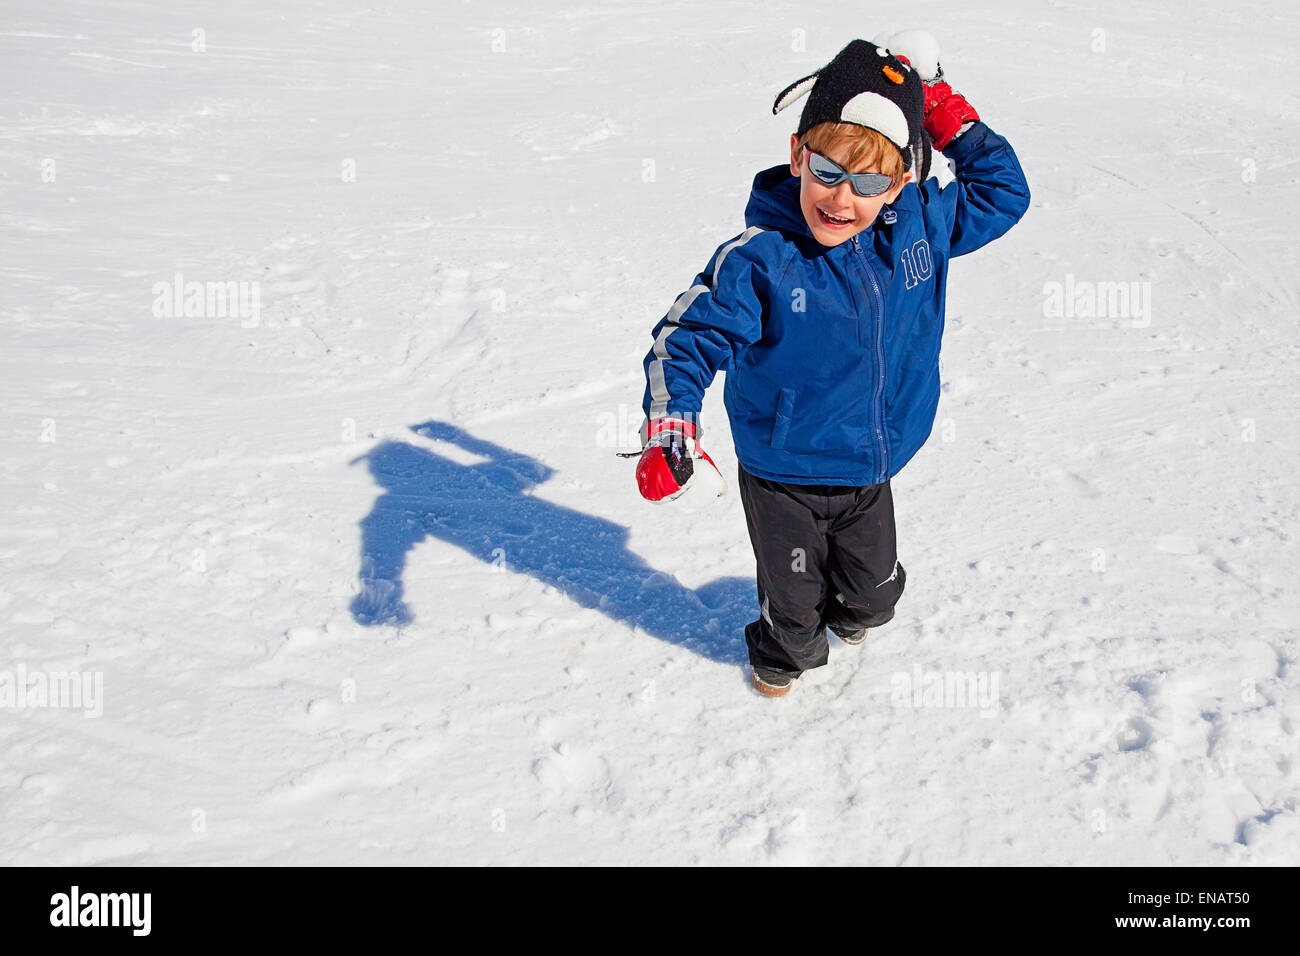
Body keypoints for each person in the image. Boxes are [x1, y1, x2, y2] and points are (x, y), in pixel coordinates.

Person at [633, 36, 1031, 697]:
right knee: (794, 619)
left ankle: (842, 610)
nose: (843, 198)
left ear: (902, 180)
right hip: (783, 471)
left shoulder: (919, 228)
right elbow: (689, 336)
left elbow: (1003, 191)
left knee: (874, 599)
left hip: (871, 465)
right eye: (828, 171)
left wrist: (939, 108)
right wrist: (671, 422)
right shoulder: (761, 261)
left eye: (871, 180)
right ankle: (778, 655)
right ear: (798, 155)